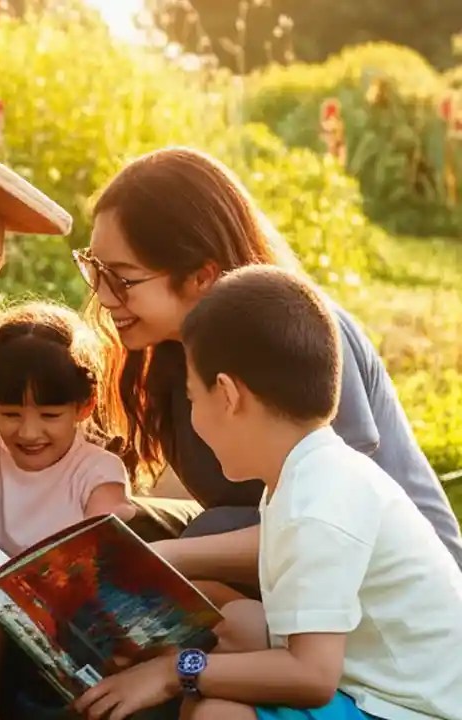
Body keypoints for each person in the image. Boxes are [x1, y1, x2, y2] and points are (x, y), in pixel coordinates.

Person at [72, 265, 462, 720]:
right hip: (371, 675)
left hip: (408, 708)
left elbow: (312, 678)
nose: (193, 418)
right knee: (226, 620)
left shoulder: (319, 501)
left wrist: (176, 671)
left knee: (218, 713)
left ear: (228, 395)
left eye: (193, 400)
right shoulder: (308, 470)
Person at [73, 146, 462, 599]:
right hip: (284, 554)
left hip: (385, 587)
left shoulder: (304, 336)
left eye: (122, 278)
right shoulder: (169, 352)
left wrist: (174, 558)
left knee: (197, 541)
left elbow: (338, 520)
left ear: (202, 275)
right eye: (94, 268)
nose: (102, 295)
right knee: (115, 528)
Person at [0, 300, 139, 720]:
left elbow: (98, 546)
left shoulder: (96, 469)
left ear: (84, 407)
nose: (28, 432)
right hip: (0, 612)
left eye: (49, 415)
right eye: (10, 414)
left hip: (72, 613)